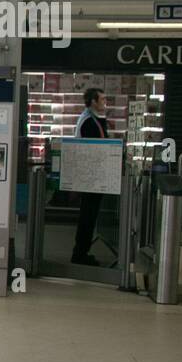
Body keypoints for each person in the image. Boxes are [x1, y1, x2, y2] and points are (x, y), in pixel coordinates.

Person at [70, 86, 109, 266]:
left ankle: (81, 252)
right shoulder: (88, 121)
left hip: (93, 175)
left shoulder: (93, 119)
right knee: (88, 215)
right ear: (93, 101)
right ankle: (80, 253)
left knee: (89, 215)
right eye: (102, 100)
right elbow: (95, 147)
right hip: (90, 177)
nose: (105, 103)